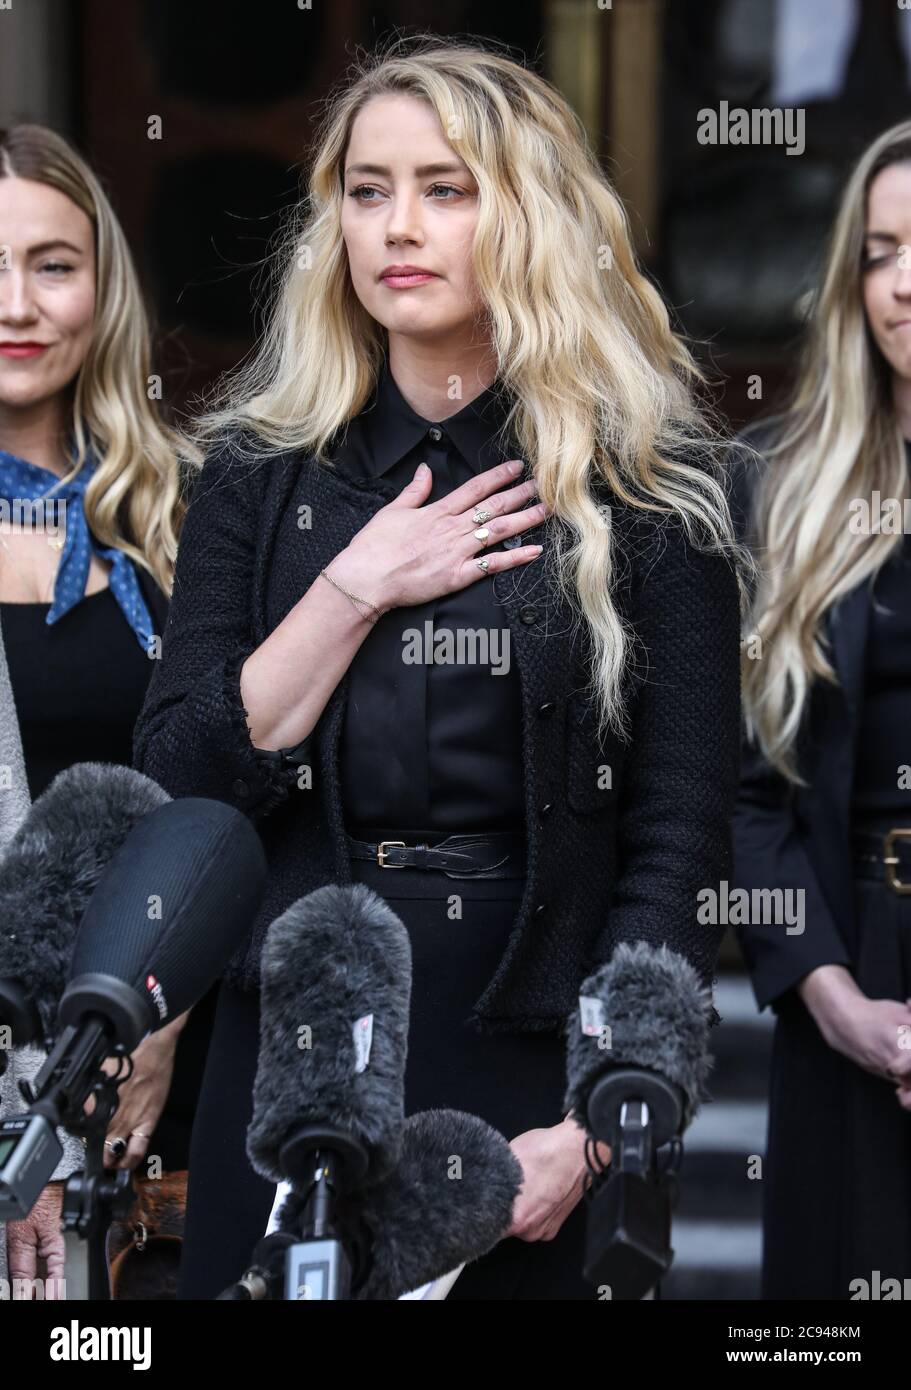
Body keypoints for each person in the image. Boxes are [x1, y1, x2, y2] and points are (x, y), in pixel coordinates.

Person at [134, 35, 747, 1300]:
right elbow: (181, 784)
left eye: (445, 188)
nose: (395, 226)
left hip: (528, 1054)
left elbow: (679, 838)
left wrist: (594, 1124)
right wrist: (355, 584)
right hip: (294, 1047)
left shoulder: (650, 497)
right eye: (366, 190)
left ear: (525, 216)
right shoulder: (255, 473)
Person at [0, 123, 214, 1296]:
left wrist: (164, 1016)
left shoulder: (183, 518)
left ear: (103, 288)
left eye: (53, 263)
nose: (19, 304)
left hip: (152, 1065)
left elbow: (230, 796)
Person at [728, 118, 911, 1300]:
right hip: (852, 959)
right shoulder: (777, 490)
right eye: (880, 250)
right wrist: (836, 1003)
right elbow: (744, 798)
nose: (904, 284)